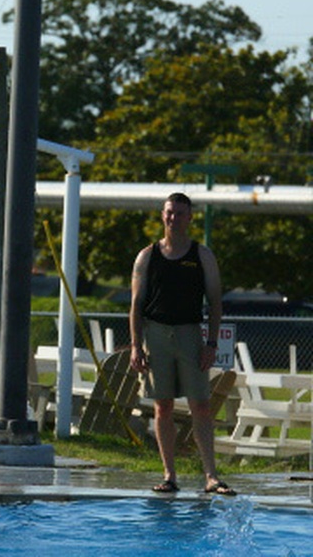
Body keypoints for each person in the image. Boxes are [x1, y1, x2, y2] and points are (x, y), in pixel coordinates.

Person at [129, 192, 235, 496]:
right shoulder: (147, 256)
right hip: (156, 334)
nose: (173, 218)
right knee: (162, 406)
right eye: (168, 212)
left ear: (189, 218)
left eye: (179, 213)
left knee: (201, 404)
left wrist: (211, 343)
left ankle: (211, 476)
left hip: (190, 333)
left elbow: (215, 302)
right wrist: (136, 345)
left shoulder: (202, 255)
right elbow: (136, 305)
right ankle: (169, 475)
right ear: (162, 215)